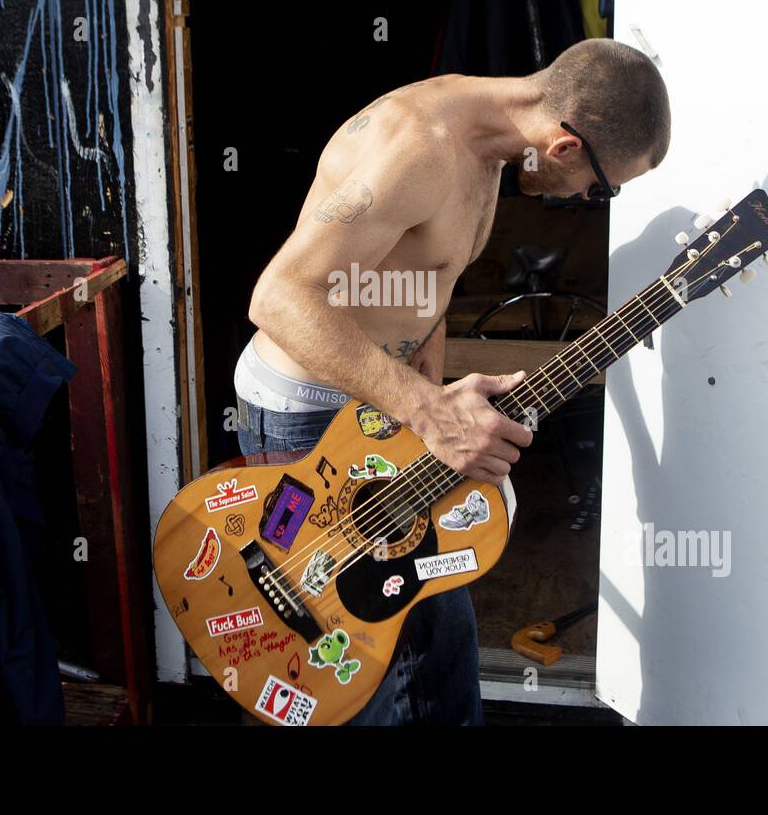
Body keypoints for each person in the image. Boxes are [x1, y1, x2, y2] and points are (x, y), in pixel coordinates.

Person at [235, 38, 671, 724]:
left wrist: (431, 407)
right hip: (310, 413)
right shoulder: (418, 146)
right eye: (600, 188)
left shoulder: (489, 146)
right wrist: (428, 412)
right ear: (564, 147)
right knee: (367, 665)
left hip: (385, 409)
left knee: (438, 641)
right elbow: (280, 299)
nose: (590, 200)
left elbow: (426, 289)